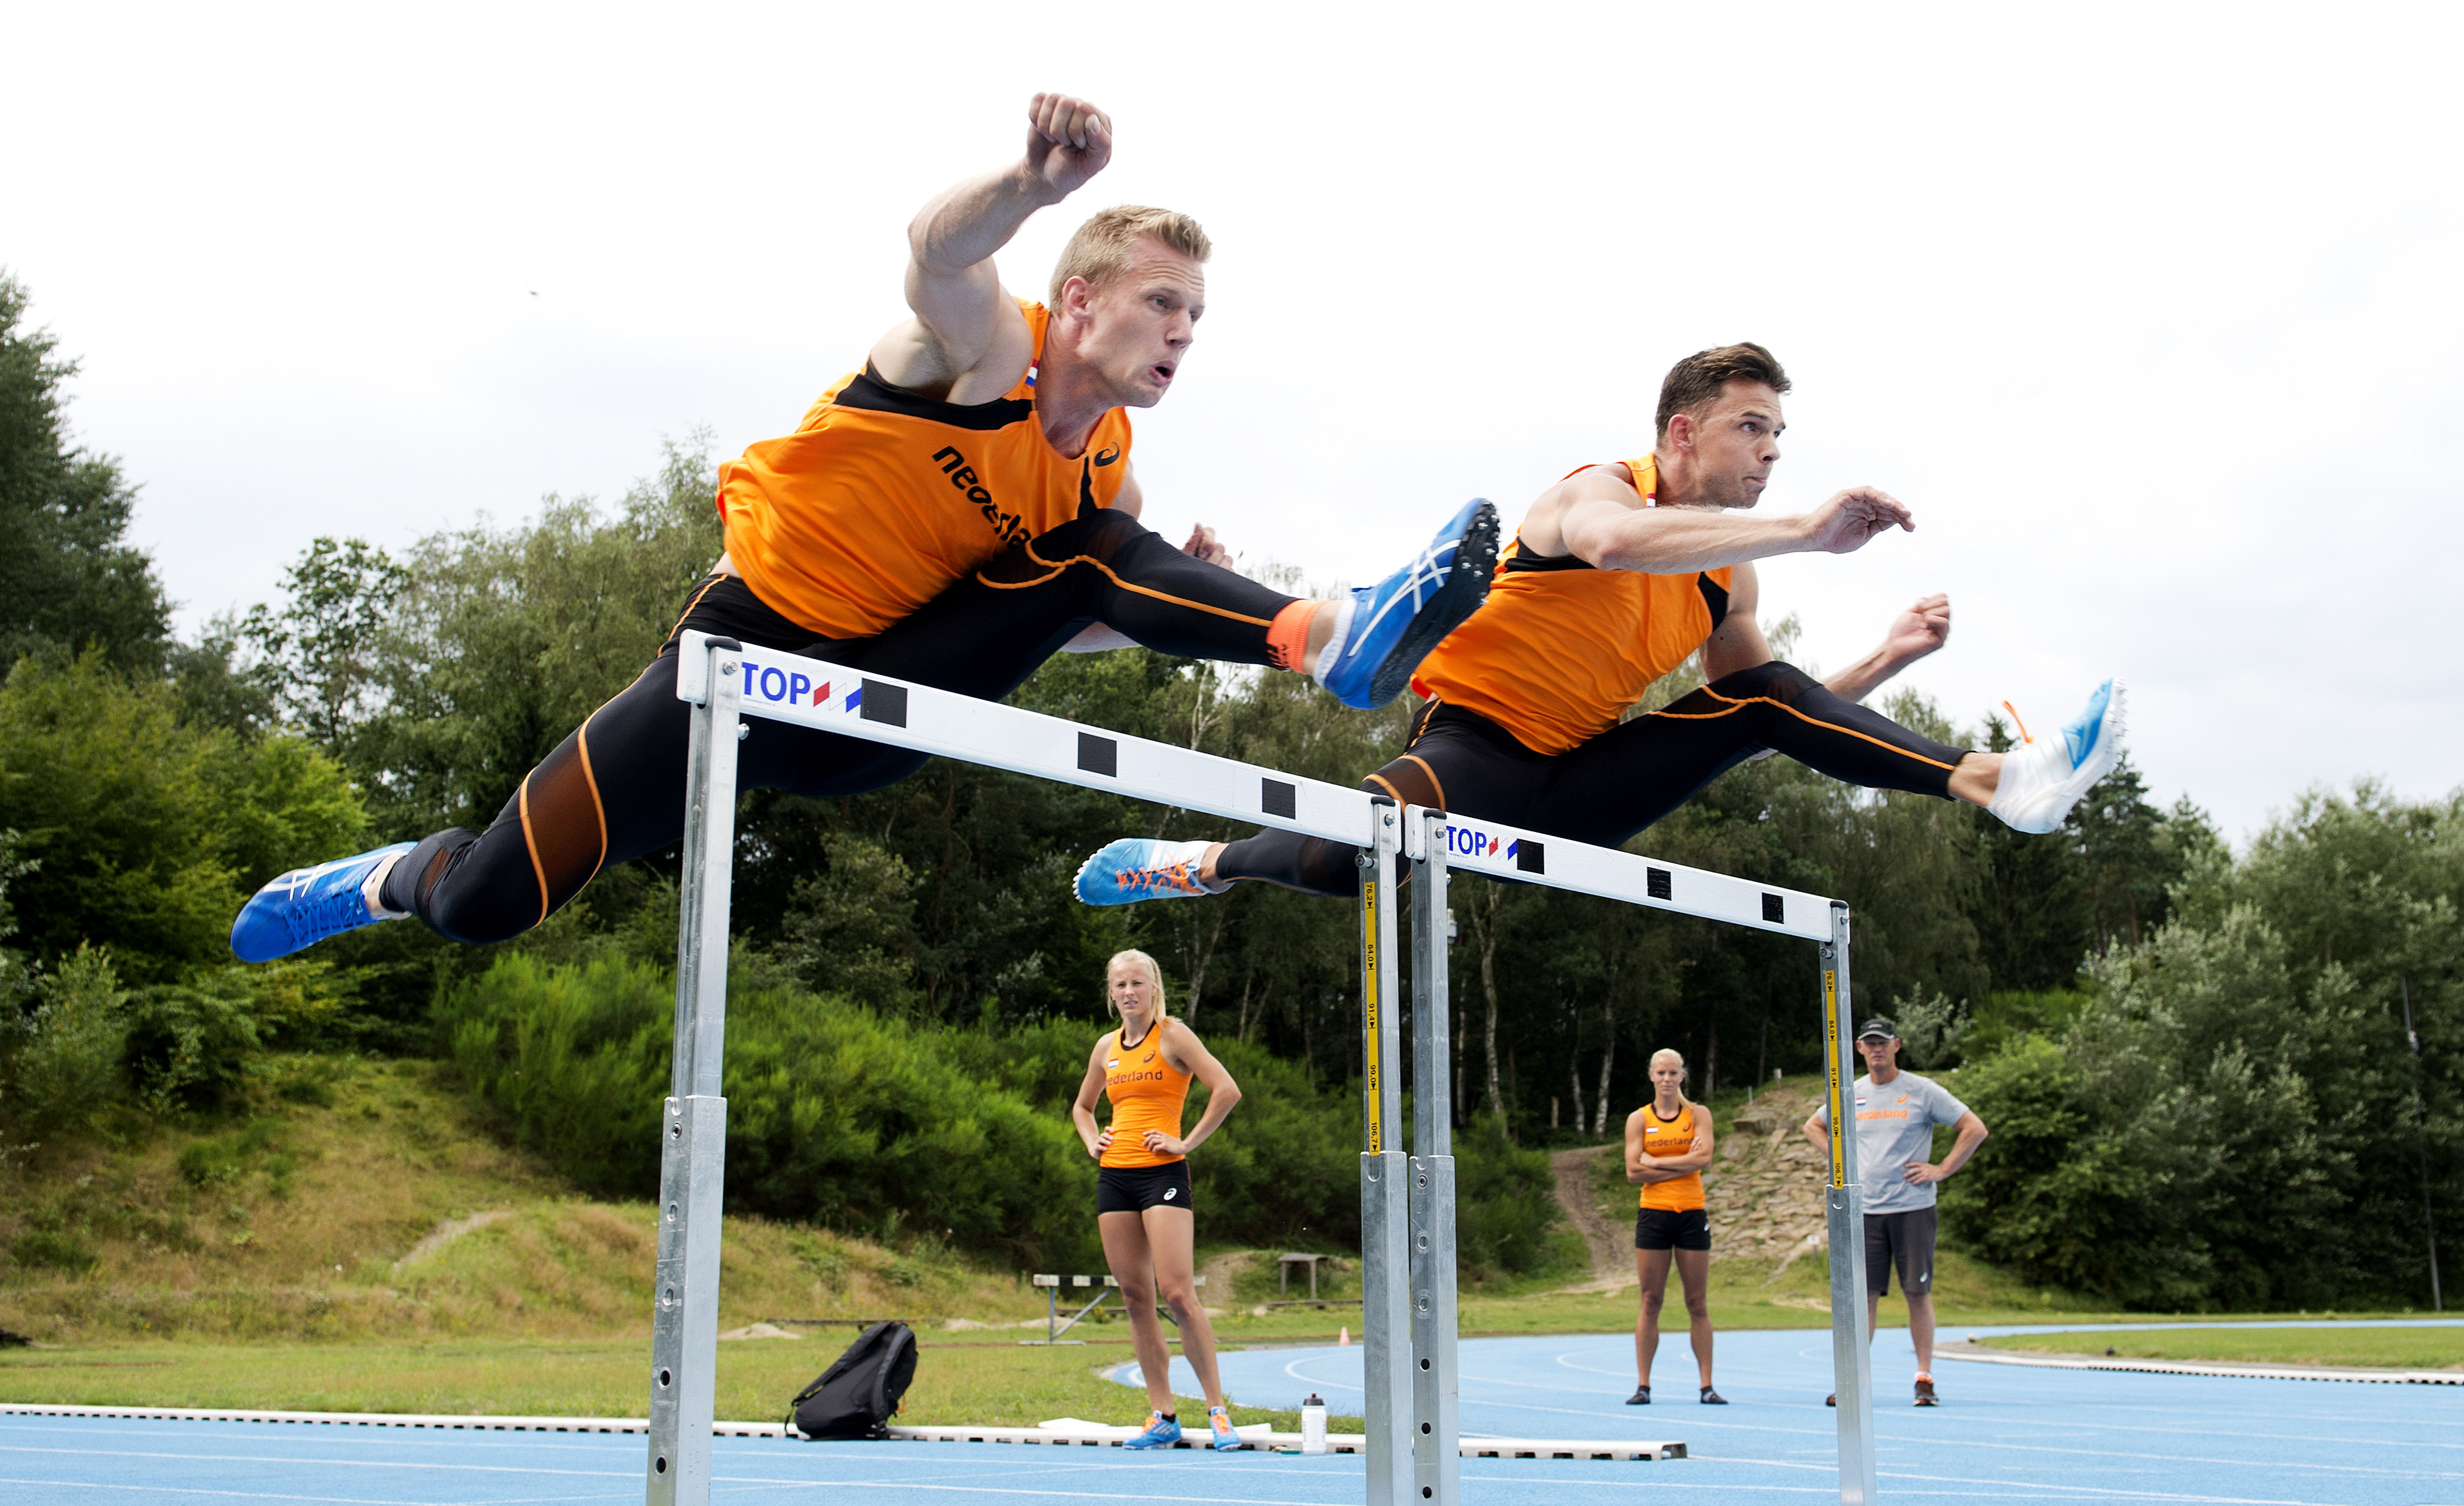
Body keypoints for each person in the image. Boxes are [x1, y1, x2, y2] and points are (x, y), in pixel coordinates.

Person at [230, 92, 1498, 961]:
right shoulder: (979, 345)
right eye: (1163, 302)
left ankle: (1320, 631)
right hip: (739, 661)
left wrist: (1169, 594)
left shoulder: (1111, 486)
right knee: (485, 906)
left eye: (1198, 318)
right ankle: (391, 876)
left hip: (879, 705)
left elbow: (1055, 633)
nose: (1181, 333)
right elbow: (932, 253)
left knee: (1103, 556)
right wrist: (1027, 182)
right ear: (1077, 300)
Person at [1072, 340, 2124, 907]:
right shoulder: (1591, 491)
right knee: (1329, 861)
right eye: (1751, 428)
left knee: (1758, 688)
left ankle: (1997, 782)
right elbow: (1616, 546)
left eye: (1780, 437)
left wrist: (1886, 656)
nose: (1770, 453)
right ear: (1681, 431)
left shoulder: (1725, 581)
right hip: (1473, 750)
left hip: (1582, 786)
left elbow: (1779, 716)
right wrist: (1808, 531)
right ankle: (1202, 863)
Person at [1070, 949, 1245, 1451]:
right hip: (1115, 1179)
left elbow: (1225, 1089)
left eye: (1137, 984)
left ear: (1154, 987)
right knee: (1134, 1297)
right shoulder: (1105, 1046)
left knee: (1176, 1292)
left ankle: (1217, 1411)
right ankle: (1163, 1413)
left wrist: (1185, 1142)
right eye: (1120, 984)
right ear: (1110, 992)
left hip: (1162, 1174)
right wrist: (1090, 1140)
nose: (1129, 992)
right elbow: (1083, 1107)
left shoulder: (1172, 1035)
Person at [1804, 1017, 1990, 1408]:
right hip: (1867, 1210)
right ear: (1859, 1049)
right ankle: (1853, 1380)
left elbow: (1974, 1127)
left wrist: (1942, 1169)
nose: (1877, 1050)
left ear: (1897, 1046)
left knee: (1916, 1292)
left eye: (1883, 1043)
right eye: (1870, 1044)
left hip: (1912, 1208)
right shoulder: (1851, 1094)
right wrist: (1842, 1164)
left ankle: (1924, 1377)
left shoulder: (1921, 1091)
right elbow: (1814, 1127)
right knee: (1864, 1296)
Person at [1624, 1048, 1726, 1407]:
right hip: (1654, 1213)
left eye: (1673, 1073)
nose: (1667, 1079)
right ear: (1652, 1076)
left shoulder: (1698, 1114)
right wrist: (1684, 1162)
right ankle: (1643, 1385)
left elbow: (1706, 1159)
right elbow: (1634, 1171)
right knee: (1651, 1299)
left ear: (1683, 1076)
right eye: (1661, 1073)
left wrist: (1658, 1160)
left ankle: (1707, 1385)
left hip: (1692, 1213)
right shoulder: (1639, 1119)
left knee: (1697, 1301)